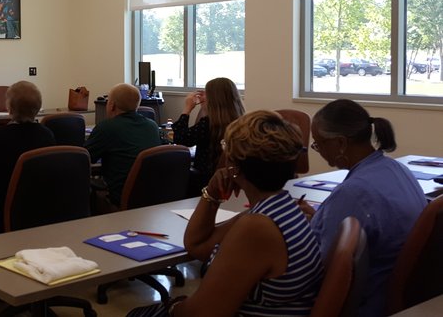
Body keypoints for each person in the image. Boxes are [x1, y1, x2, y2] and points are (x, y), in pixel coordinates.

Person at [127, 111, 324, 317]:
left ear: (234, 163)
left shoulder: (256, 227)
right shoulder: (280, 208)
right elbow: (197, 247)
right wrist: (211, 194)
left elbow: (202, 313)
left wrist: (173, 305)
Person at [299, 99, 426, 317]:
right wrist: (321, 218)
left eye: (318, 144)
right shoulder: (395, 168)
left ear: (340, 143)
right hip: (408, 296)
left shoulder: (354, 192)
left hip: (368, 302)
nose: (318, 150)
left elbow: (319, 270)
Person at [0, 81, 55, 235]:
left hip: (3, 209)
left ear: (9, 108)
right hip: (40, 209)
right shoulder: (47, 134)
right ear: (38, 108)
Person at [85, 83, 161, 209]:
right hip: (152, 197)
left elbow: (85, 158)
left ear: (112, 105)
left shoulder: (107, 127)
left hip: (121, 197)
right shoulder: (152, 126)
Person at [172, 77, 244, 195]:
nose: (202, 97)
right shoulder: (241, 121)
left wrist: (187, 109)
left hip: (205, 181)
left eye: (206, 94)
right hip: (230, 180)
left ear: (213, 99)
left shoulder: (209, 124)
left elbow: (181, 139)